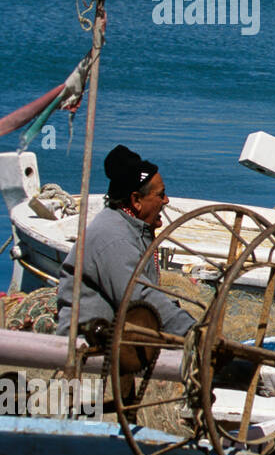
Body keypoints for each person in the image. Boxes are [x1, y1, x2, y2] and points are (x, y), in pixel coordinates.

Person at [56, 145, 195, 339]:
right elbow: (139, 297)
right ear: (136, 200)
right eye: (160, 194)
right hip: (89, 347)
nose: (166, 201)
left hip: (118, 339)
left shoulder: (130, 226)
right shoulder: (114, 239)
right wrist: (194, 332)